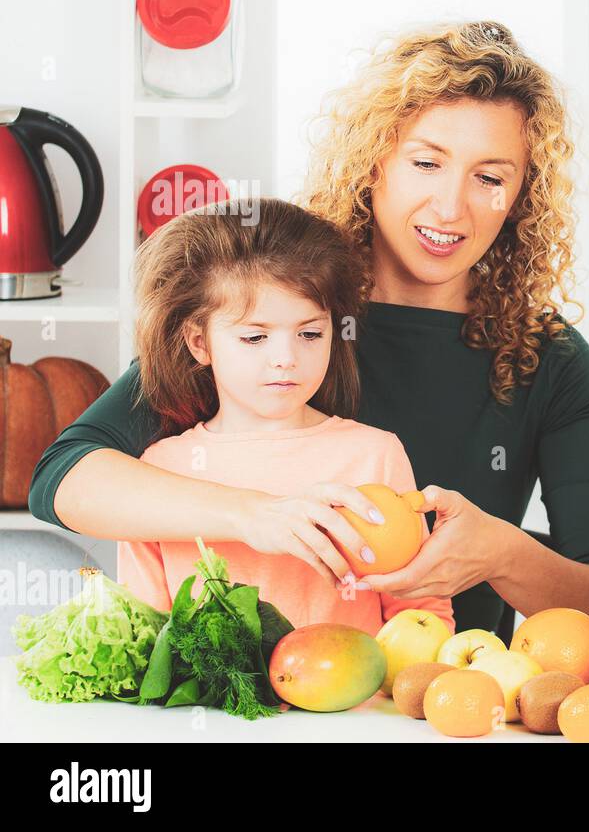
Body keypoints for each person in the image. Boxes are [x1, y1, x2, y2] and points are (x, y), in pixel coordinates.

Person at [29, 20, 589, 634]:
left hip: (445, 706)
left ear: (521, 196)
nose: (451, 207)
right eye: (426, 162)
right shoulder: (284, 313)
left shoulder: (548, 358)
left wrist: (503, 553)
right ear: (374, 164)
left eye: (490, 178)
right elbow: (64, 478)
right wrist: (257, 516)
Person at [115, 199, 453, 634]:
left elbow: (423, 619)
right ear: (199, 343)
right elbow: (146, 639)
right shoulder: (160, 471)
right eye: (255, 337)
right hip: (208, 705)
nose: (286, 359)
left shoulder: (375, 455)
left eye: (310, 333)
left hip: (356, 704)